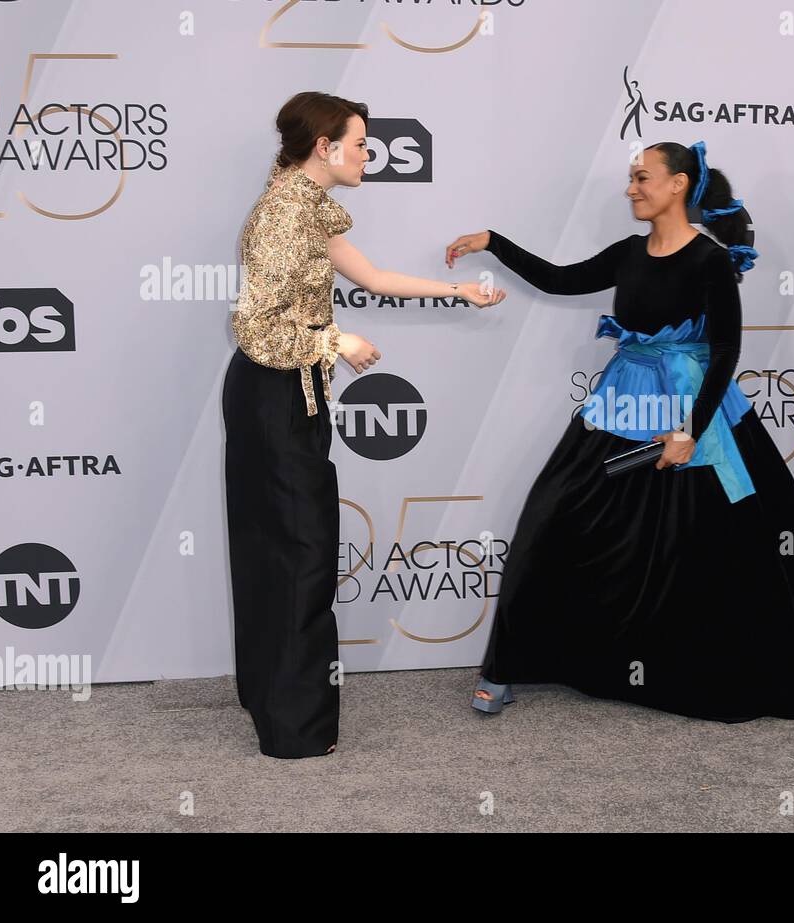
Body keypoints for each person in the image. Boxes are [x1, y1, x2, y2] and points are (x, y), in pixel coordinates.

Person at [445, 141, 794, 723]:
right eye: (630, 179)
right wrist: (493, 242)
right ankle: (508, 666)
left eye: (642, 178)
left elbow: (726, 351)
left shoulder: (710, 261)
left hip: (694, 406)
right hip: (622, 399)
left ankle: (708, 669)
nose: (630, 189)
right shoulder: (628, 252)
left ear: (678, 185)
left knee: (708, 545)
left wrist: (689, 430)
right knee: (551, 514)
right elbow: (559, 279)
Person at [224, 91, 504, 758]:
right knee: (298, 556)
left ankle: (288, 715)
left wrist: (457, 292)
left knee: (295, 554)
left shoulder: (308, 205)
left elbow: (373, 277)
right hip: (274, 393)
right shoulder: (281, 215)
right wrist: (334, 342)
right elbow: (254, 326)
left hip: (293, 395)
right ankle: (292, 727)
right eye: (360, 143)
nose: (367, 154)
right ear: (325, 146)